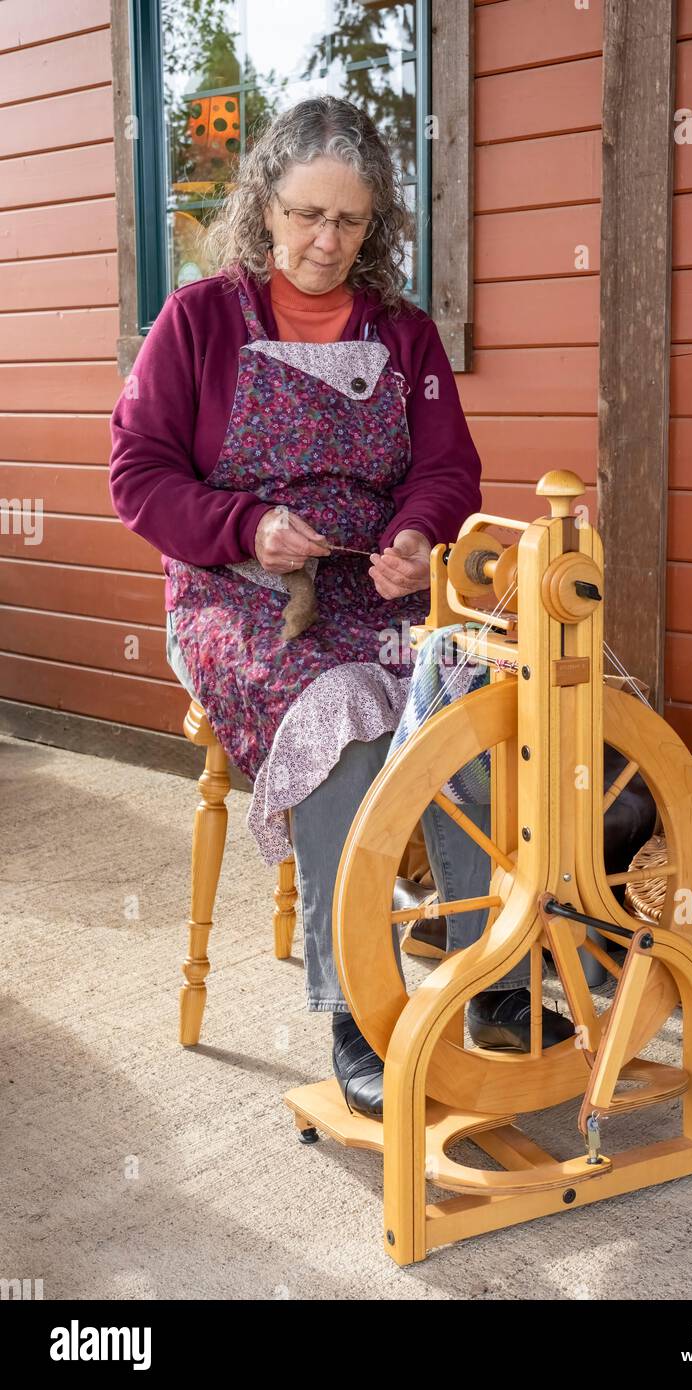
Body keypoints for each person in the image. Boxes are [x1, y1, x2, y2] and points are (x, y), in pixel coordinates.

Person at [108, 96, 573, 1120]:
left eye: (348, 221)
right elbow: (135, 475)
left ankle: (489, 974)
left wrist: (413, 535)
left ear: (376, 225)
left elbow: (450, 468)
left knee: (470, 698)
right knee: (344, 721)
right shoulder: (195, 321)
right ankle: (357, 1005)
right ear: (263, 204)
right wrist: (246, 530)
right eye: (305, 214)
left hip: (378, 584)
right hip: (240, 596)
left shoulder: (402, 335)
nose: (323, 242)